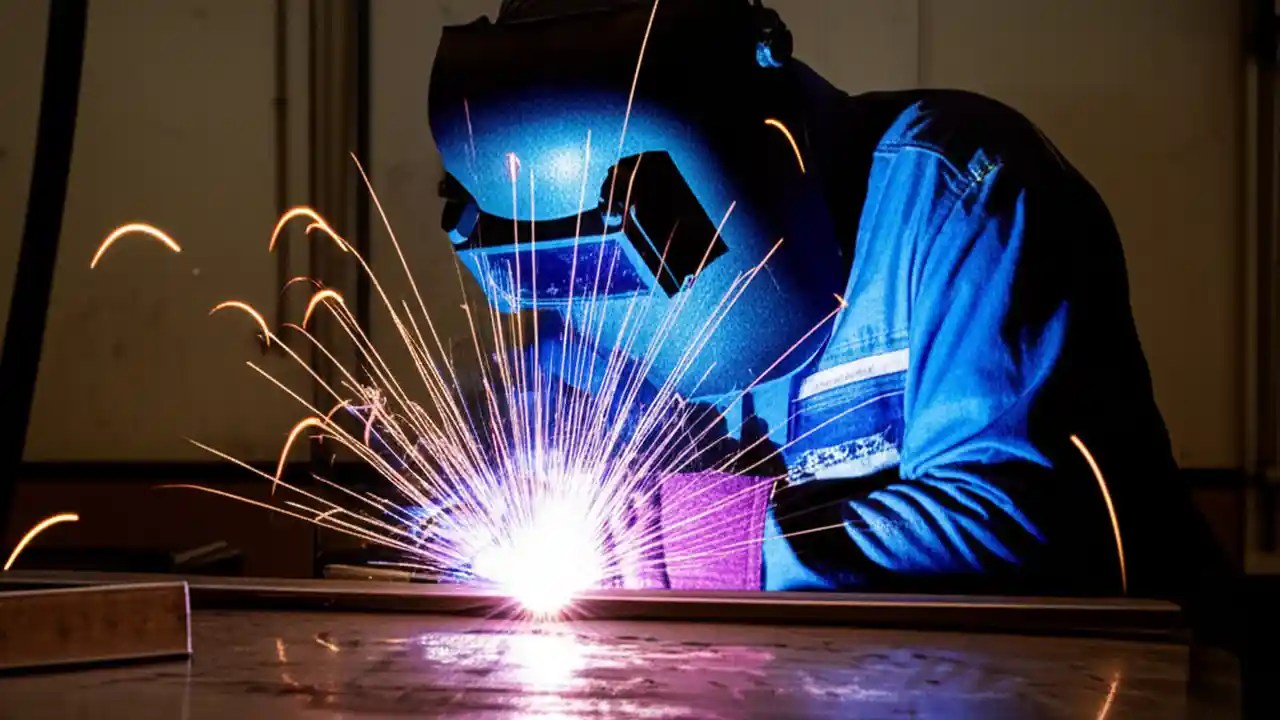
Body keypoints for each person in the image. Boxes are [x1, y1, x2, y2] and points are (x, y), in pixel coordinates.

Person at [426, 0, 1227, 606]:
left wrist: (688, 541)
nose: (599, 292)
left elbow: (1023, 522)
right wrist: (489, 513)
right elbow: (525, 446)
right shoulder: (583, 263)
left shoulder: (955, 189)